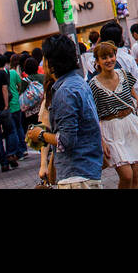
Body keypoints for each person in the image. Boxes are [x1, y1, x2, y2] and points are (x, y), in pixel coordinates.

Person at [26, 35, 105, 188]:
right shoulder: (78, 82)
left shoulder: (65, 92)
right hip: (85, 171)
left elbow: (67, 141)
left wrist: (40, 134)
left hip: (76, 176)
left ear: (51, 62)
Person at [87, 41, 138, 188]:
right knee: (126, 176)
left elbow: (135, 95)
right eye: (104, 58)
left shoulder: (124, 75)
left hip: (130, 124)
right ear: (97, 62)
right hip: (110, 129)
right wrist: (101, 141)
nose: (109, 60)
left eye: (111, 56)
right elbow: (94, 114)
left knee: (135, 176)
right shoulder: (93, 84)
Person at [5, 54, 29, 160]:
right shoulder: (14, 73)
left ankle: (18, 152)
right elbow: (20, 85)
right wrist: (17, 93)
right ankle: (24, 149)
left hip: (8, 105)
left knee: (13, 129)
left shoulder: (5, 73)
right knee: (19, 127)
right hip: (16, 102)